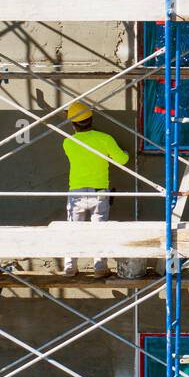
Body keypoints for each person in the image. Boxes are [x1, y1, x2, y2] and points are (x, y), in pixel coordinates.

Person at [59, 100, 130, 276]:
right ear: (91, 119)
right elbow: (122, 160)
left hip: (76, 192)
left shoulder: (68, 143)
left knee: (74, 229)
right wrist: (125, 153)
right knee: (100, 230)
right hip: (100, 193)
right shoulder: (105, 139)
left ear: (73, 123)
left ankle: (70, 266)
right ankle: (99, 267)